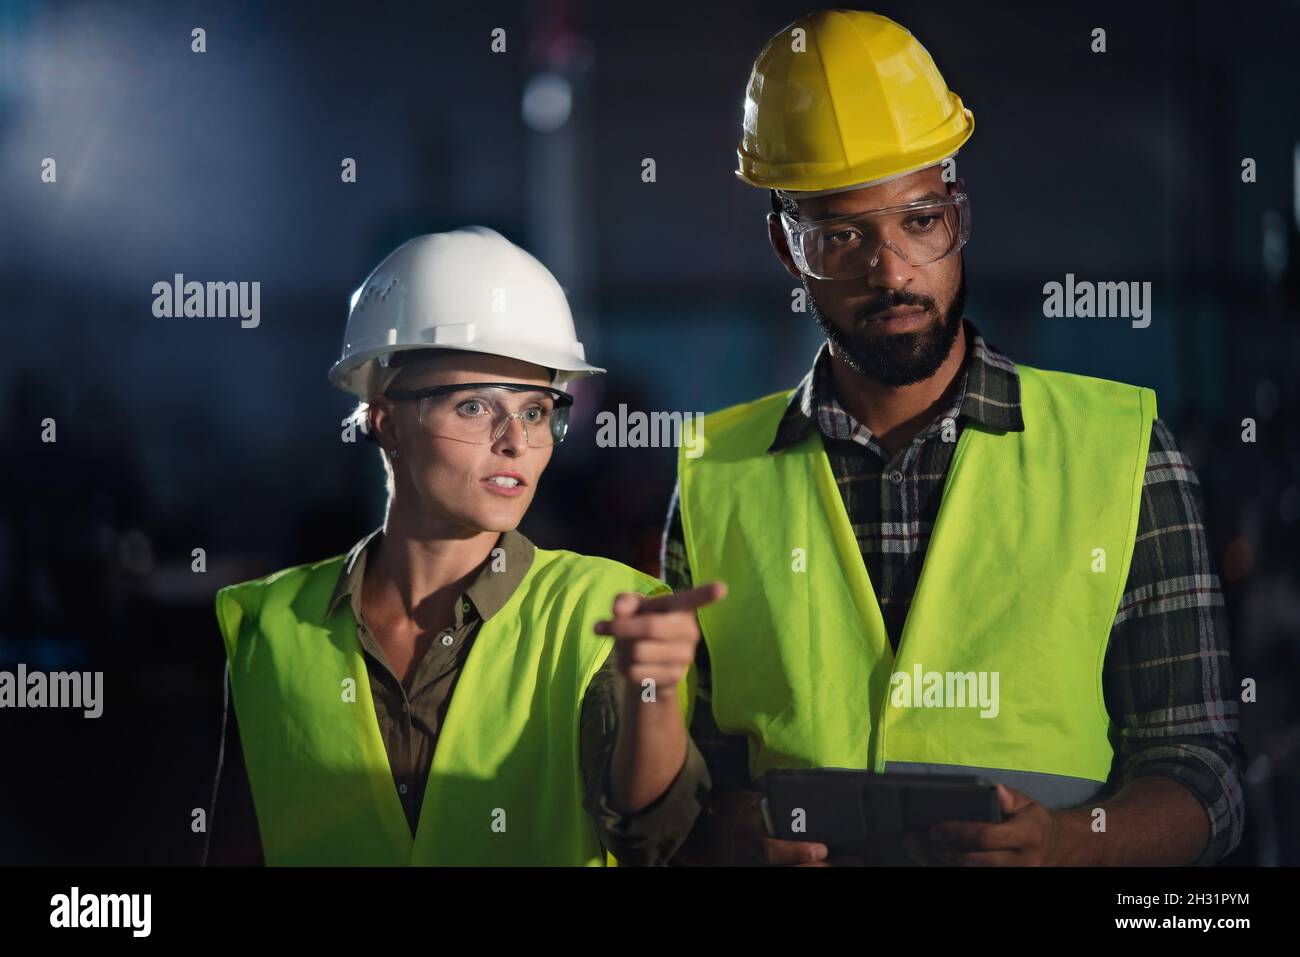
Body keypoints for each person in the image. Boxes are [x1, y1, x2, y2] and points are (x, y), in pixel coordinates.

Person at [664, 10, 1245, 866]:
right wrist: (722, 832)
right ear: (786, 248)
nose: (893, 270)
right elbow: (682, 780)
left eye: (920, 221)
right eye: (841, 236)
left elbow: (1203, 772)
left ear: (956, 210)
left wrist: (1067, 846)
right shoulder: (717, 473)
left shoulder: (1122, 451)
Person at [204, 226, 719, 866]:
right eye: (475, 406)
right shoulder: (270, 625)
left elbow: (653, 836)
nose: (516, 441)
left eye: (536, 411)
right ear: (386, 421)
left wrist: (654, 697)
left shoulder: (606, 610)